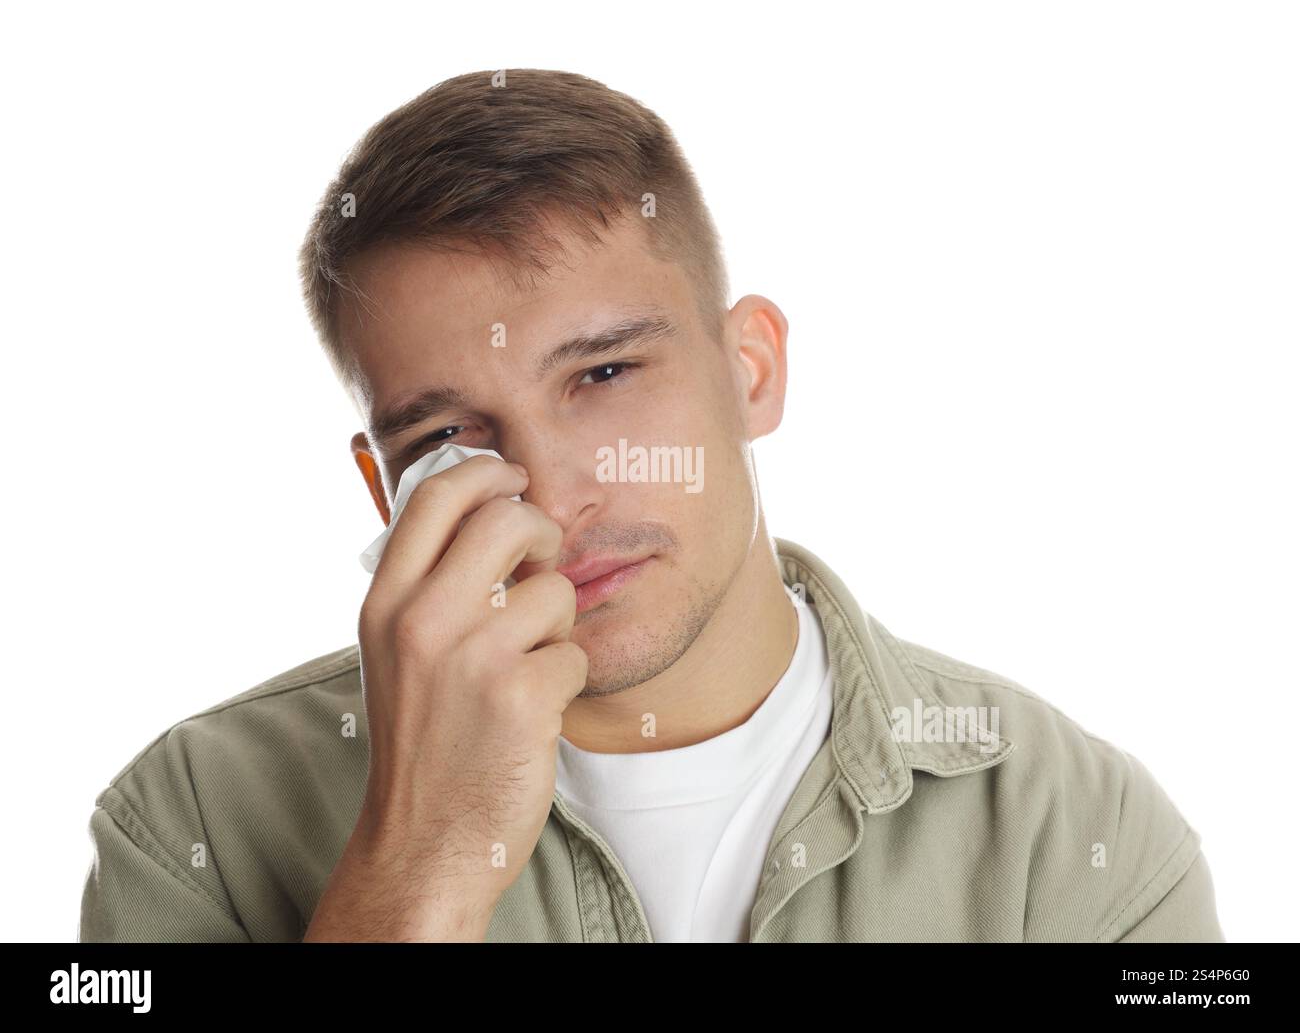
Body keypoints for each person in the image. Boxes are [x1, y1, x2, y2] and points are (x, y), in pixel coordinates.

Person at [78, 68, 1224, 943]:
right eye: (448, 438)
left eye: (604, 376)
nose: (556, 493)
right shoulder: (196, 822)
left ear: (750, 371)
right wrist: (417, 862)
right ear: (387, 496)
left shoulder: (1084, 839)